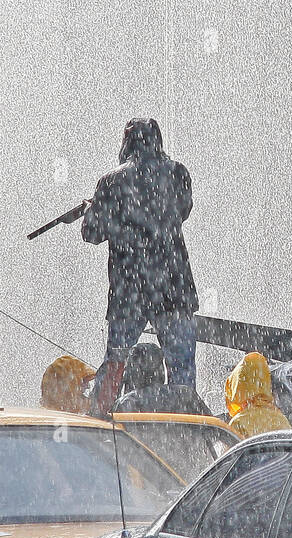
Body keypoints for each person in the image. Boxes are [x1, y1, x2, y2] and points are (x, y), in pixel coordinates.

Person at [82, 117, 199, 405]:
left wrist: (94, 209)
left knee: (115, 366)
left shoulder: (111, 181)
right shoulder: (177, 173)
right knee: (182, 373)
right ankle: (186, 427)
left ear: (127, 143)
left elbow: (92, 234)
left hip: (129, 292)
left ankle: (101, 422)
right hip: (173, 289)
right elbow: (182, 211)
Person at [112, 342, 211, 415]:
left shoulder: (126, 403)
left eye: (128, 367)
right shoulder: (186, 395)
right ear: (161, 371)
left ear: (134, 372)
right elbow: (213, 428)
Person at [225, 352, 292, 438]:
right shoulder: (281, 419)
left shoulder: (239, 422)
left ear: (237, 387)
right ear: (266, 383)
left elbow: (234, 450)